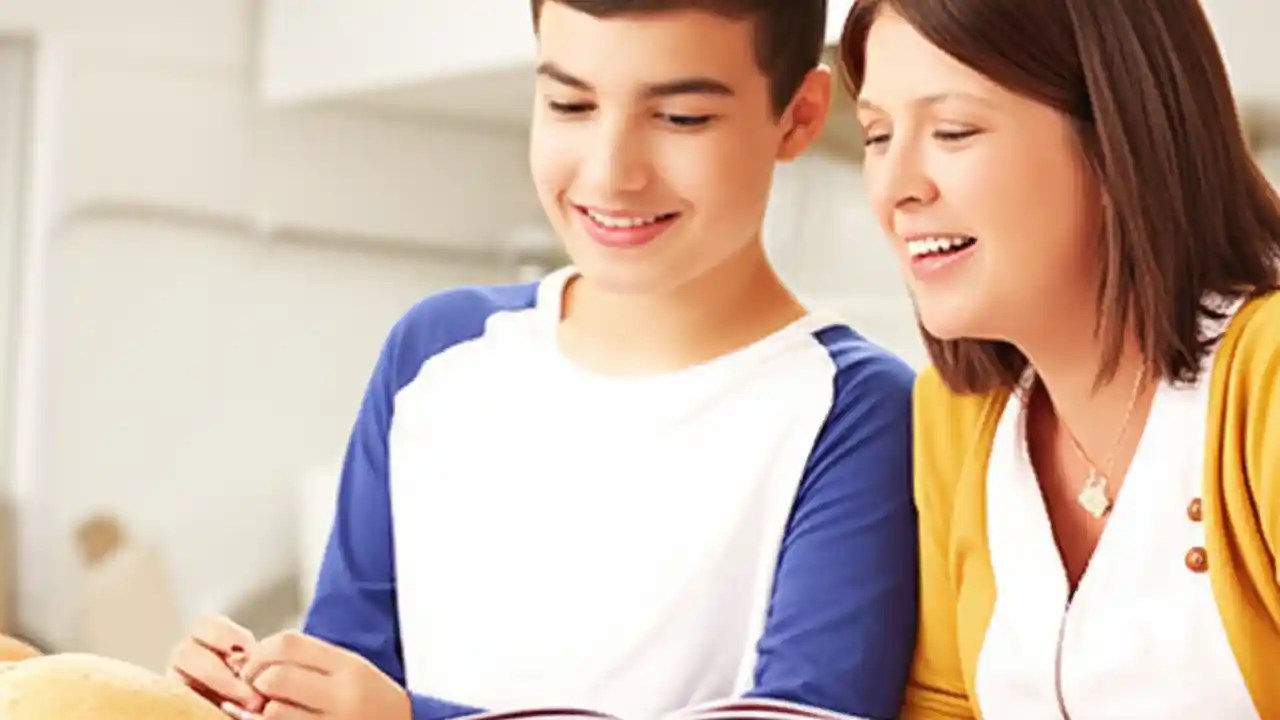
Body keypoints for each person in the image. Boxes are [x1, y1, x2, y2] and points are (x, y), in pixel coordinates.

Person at [168, 2, 920, 719]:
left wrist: (407, 719)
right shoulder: (436, 352)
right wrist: (259, 694)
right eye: (570, 105)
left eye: (681, 117)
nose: (611, 172)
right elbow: (350, 672)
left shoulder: (856, 412)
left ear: (800, 116)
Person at [841, 0, 1280, 717]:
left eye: (952, 131)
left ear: (1117, 138)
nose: (895, 188)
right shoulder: (956, 418)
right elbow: (943, 703)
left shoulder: (1266, 380)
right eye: (878, 136)